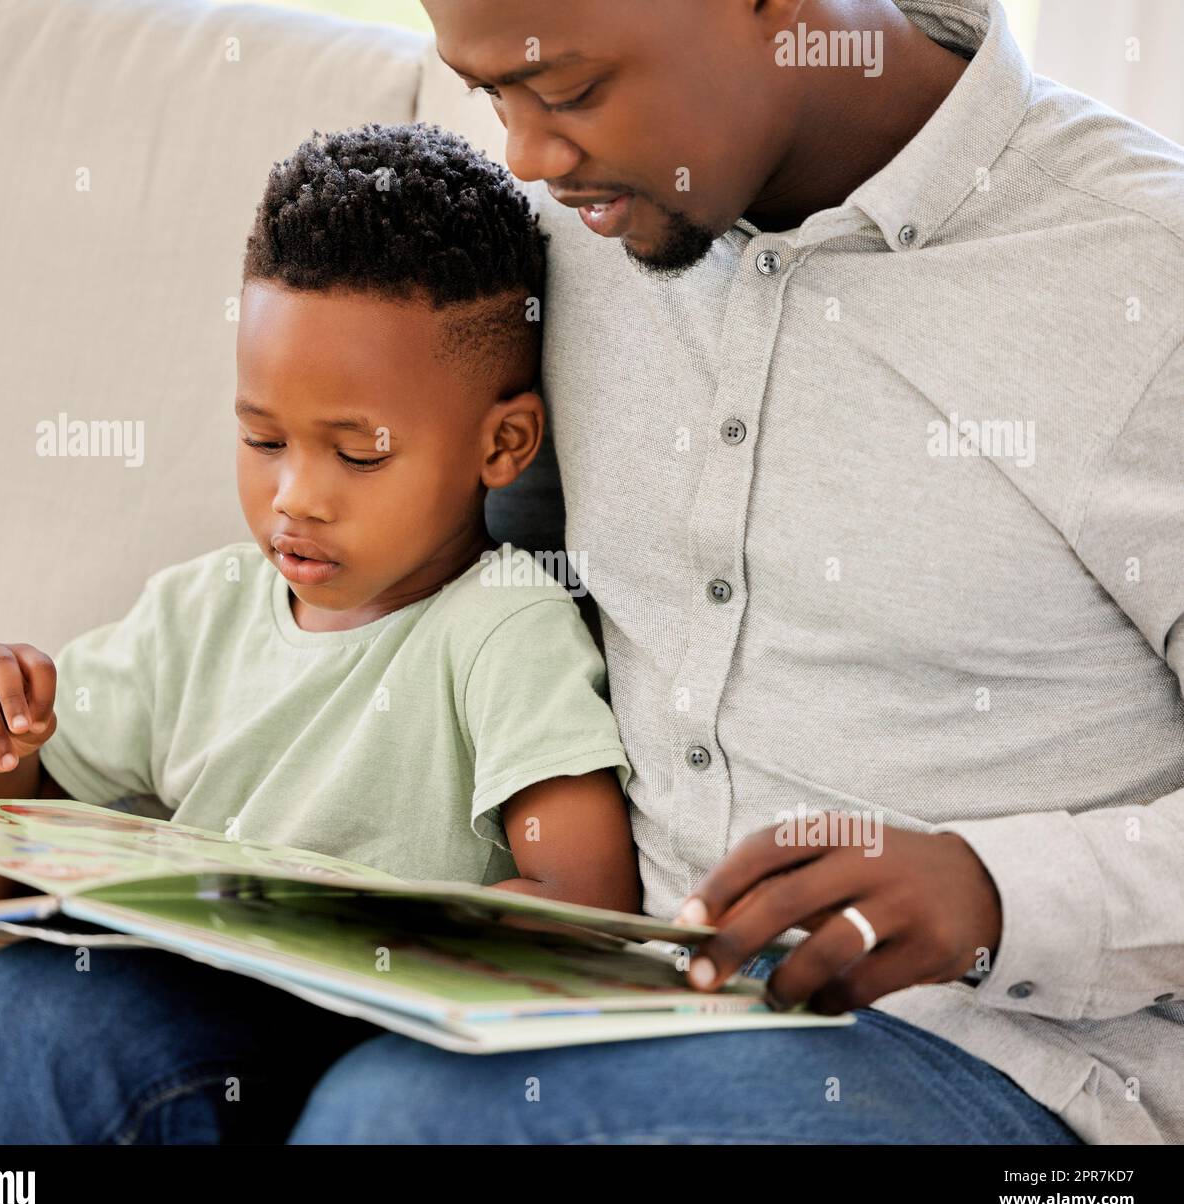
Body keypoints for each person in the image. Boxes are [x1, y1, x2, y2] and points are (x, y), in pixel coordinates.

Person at [286, 0, 1183, 1145]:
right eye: (490, 95)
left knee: (411, 1120)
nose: (525, 157)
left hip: (1006, 1072)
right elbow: (480, 596)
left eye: (564, 91)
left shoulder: (1145, 280)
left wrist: (991, 891)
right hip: (610, 975)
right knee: (52, 1018)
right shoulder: (569, 235)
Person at [0, 123, 643, 1143]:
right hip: (187, 1017)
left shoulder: (501, 625)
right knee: (13, 1012)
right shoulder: (202, 608)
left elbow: (586, 900)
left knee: (37, 1026)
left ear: (501, 443)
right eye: (262, 439)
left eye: (358, 454)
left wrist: (355, 933)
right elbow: (20, 800)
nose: (296, 497)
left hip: (370, 1044)